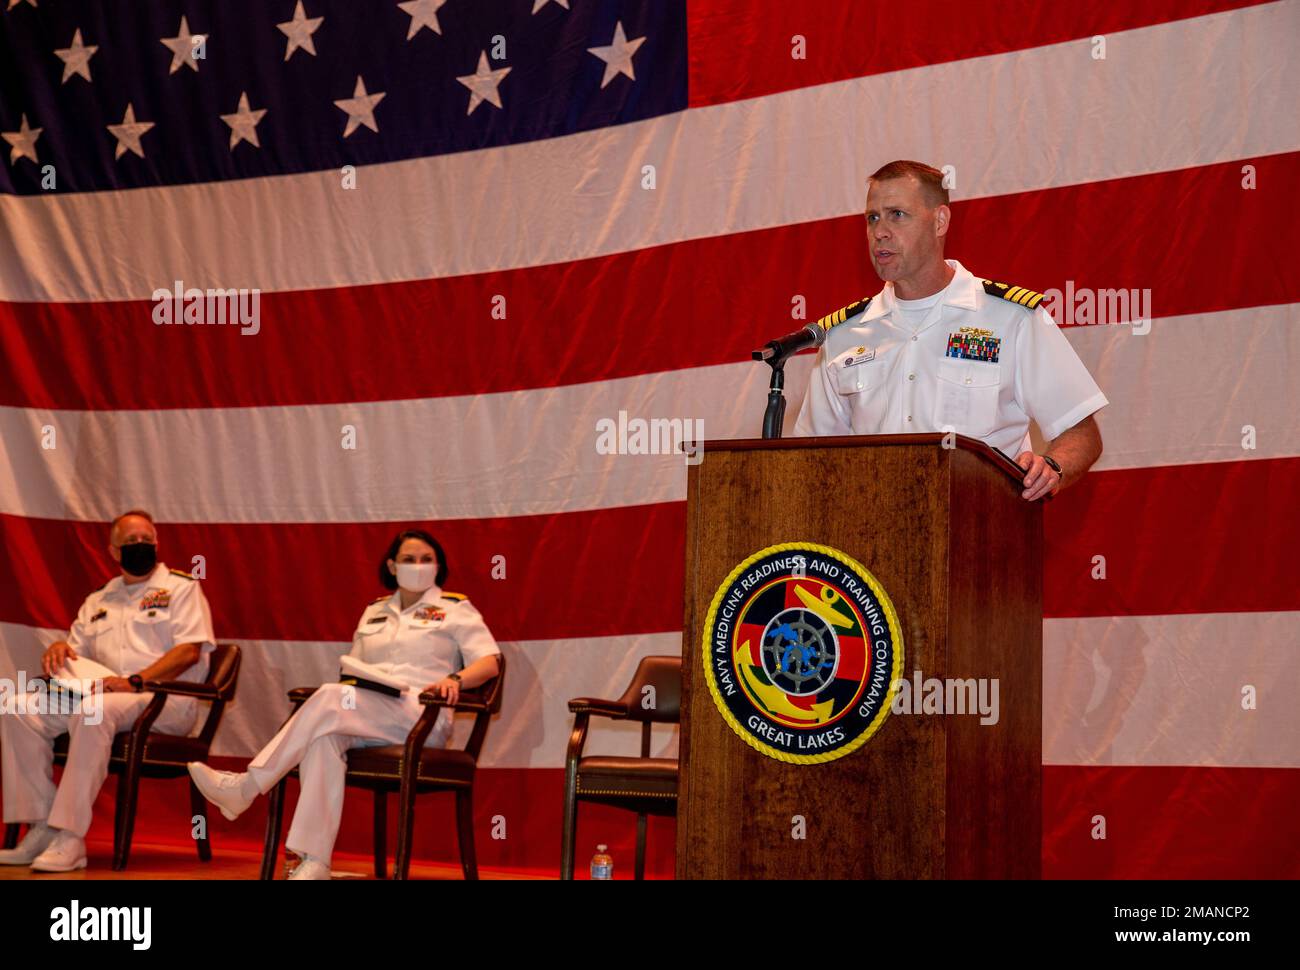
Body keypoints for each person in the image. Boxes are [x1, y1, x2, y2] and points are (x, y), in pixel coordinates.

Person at [187, 529, 501, 880]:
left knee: (329, 698)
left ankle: (246, 786)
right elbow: (353, 669)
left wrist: (455, 680)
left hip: (421, 715)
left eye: (427, 559)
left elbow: (490, 662)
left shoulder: (455, 609)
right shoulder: (374, 612)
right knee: (324, 739)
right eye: (409, 559)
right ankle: (315, 861)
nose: (418, 566)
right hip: (371, 710)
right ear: (391, 566)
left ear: (438, 566)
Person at [794, 159, 1106, 501]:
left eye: (897, 214)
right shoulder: (842, 336)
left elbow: (1081, 433)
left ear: (940, 221)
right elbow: (811, 460)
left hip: (981, 531)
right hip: (868, 539)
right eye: (872, 218)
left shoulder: (1010, 319)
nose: (880, 231)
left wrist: (1052, 467)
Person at [0, 509, 215, 872]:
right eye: (130, 542)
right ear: (114, 552)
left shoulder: (181, 587)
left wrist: (136, 680)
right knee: (16, 707)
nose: (140, 546)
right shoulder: (99, 599)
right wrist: (58, 649)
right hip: (101, 696)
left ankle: (69, 835)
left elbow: (189, 650)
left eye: (147, 540)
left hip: (162, 701)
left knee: (92, 711)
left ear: (157, 544)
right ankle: (40, 827)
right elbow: (76, 653)